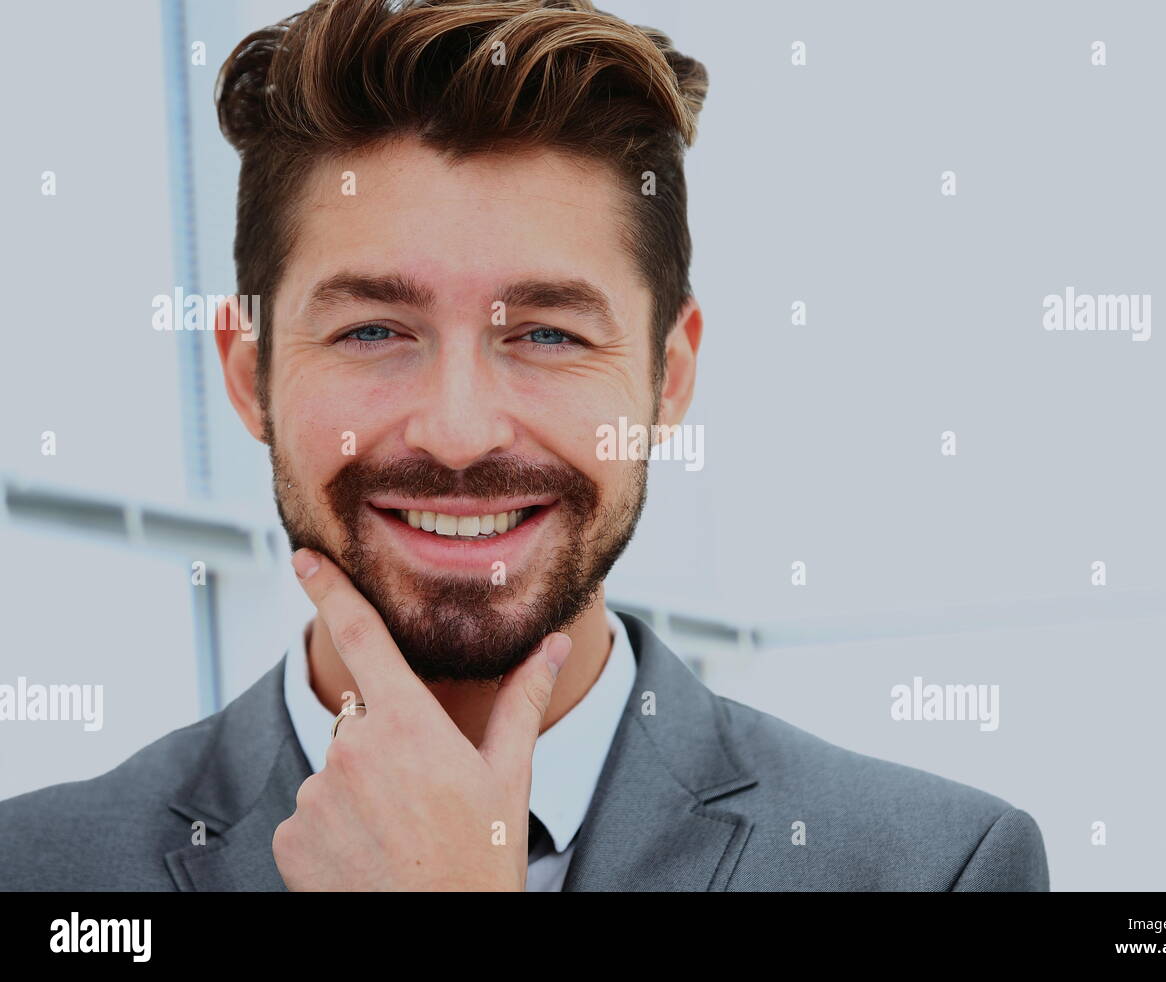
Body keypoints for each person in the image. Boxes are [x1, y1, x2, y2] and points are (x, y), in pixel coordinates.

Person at [0, 0, 1048, 891]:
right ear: (247, 373)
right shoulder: (39, 869)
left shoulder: (932, 868)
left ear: (666, 375)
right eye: (374, 330)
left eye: (545, 333)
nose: (458, 432)